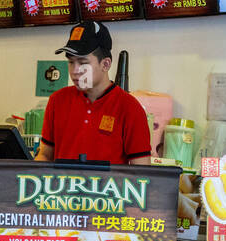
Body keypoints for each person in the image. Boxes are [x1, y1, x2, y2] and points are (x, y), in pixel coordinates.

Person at [34, 21, 152, 165]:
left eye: (83, 62)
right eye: (71, 62)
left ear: (105, 64)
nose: (75, 70)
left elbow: (141, 172)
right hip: (62, 188)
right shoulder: (57, 101)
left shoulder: (130, 108)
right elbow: (45, 155)